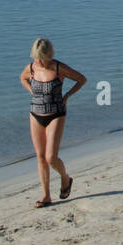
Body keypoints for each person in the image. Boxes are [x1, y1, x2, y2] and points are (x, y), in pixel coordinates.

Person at [19, 38, 87, 207]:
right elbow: (22, 79)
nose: (38, 60)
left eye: (41, 57)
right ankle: (46, 196)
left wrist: (67, 96)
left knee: (51, 157)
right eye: (36, 56)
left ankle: (65, 178)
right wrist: (33, 92)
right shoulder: (31, 68)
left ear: (48, 55)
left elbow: (81, 79)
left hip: (56, 114)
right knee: (40, 157)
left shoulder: (58, 67)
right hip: (35, 114)